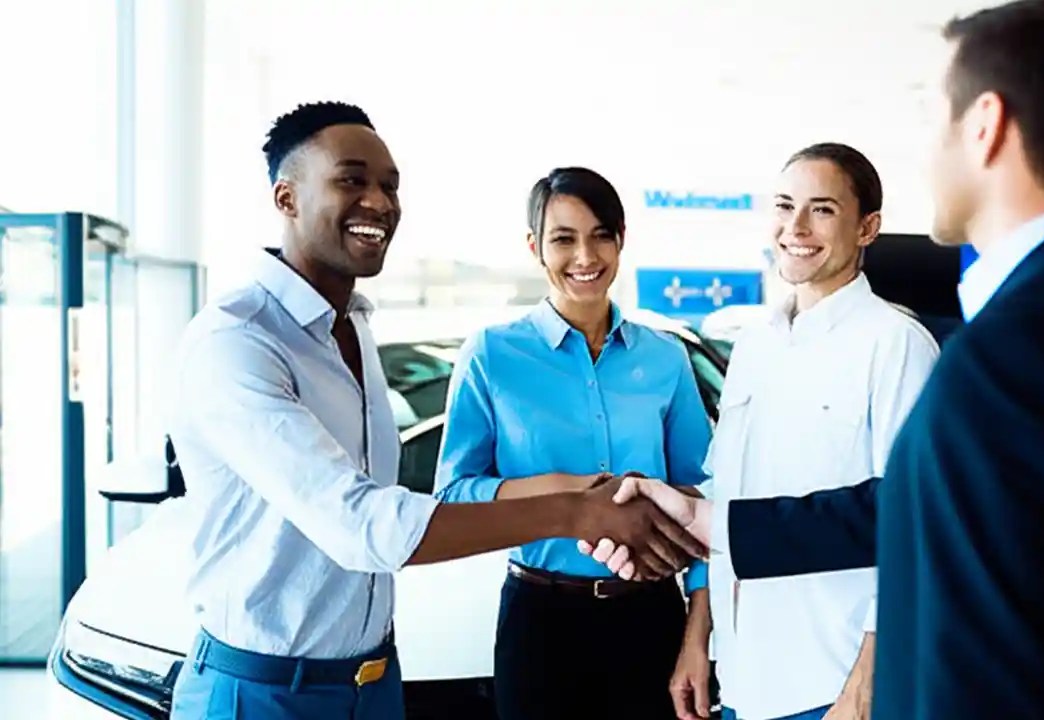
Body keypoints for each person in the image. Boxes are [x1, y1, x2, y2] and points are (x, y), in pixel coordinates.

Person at [586, 1, 1044, 717]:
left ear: (986, 126)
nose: (928, 151)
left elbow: (985, 610)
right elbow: (911, 509)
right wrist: (699, 522)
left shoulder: (1021, 342)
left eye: (936, 120)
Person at [165, 103, 703, 720]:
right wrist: (576, 507)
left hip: (372, 678)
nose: (379, 201)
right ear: (285, 197)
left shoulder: (352, 328)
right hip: (265, 688)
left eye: (390, 185)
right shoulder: (235, 341)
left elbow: (702, 485)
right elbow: (365, 523)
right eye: (351, 179)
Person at [432, 166, 713, 720]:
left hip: (650, 616)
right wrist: (580, 496)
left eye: (600, 235)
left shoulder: (665, 358)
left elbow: (705, 500)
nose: (585, 256)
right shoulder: (491, 355)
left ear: (621, 239)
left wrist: (697, 639)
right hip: (541, 621)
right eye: (564, 238)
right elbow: (455, 495)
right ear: (535, 247)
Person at [671, 144, 938, 720]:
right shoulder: (754, 343)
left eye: (821, 210)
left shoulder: (896, 345)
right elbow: (724, 498)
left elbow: (913, 522)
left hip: (834, 683)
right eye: (785, 206)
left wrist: (870, 676)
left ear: (868, 228)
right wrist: (700, 639)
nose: (796, 228)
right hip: (744, 678)